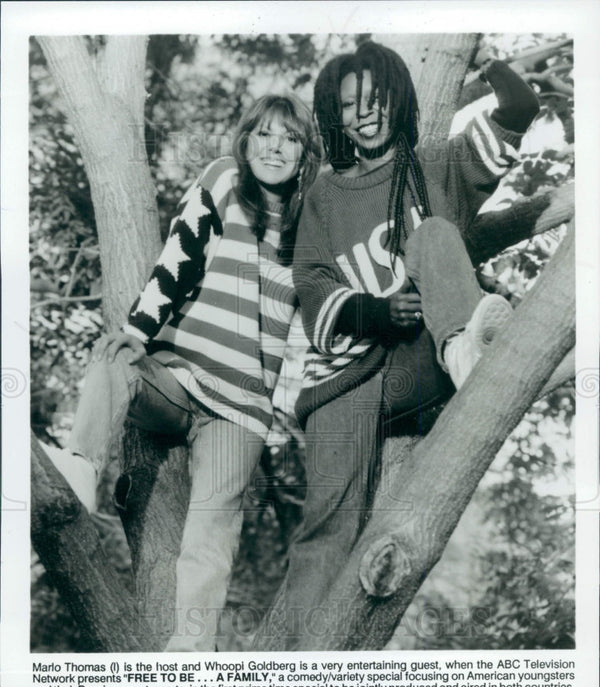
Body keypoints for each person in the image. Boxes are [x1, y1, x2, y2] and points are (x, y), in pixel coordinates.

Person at [267, 40, 540, 649]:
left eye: (375, 97)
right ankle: (312, 675)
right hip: (346, 376)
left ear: (397, 97)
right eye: (347, 105)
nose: (364, 113)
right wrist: (372, 310)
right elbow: (311, 284)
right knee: (325, 530)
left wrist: (489, 62)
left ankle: (466, 351)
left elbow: (518, 107)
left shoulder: (437, 165)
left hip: (427, 359)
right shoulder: (324, 197)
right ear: (334, 118)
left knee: (437, 233)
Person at [42, 93, 321, 652]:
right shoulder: (222, 181)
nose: (275, 147)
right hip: (175, 377)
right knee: (114, 357)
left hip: (239, 410)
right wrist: (139, 334)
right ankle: (80, 470)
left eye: (291, 138)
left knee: (210, 533)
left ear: (304, 154)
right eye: (265, 133)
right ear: (245, 140)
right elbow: (178, 259)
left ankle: (189, 655)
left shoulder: (312, 225)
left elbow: (325, 311)